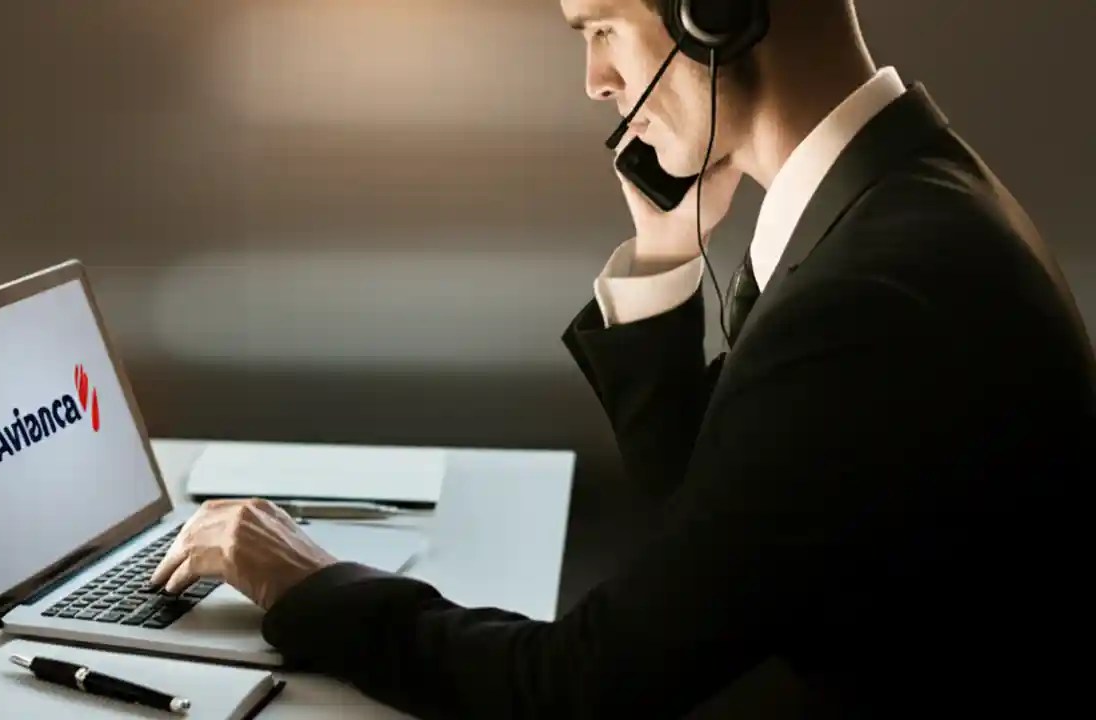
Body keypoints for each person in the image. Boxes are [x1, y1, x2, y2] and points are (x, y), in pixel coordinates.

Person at [151, 0, 1095, 716]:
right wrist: (666, 251)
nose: (596, 81)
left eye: (602, 26)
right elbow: (722, 508)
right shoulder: (900, 195)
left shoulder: (870, 295)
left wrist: (309, 585)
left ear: (714, 12)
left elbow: (583, 691)